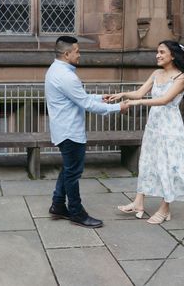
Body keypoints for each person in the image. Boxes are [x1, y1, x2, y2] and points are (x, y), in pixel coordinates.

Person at [109, 40, 184, 224]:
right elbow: (139, 93)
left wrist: (137, 103)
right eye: (157, 52)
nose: (157, 55)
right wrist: (123, 95)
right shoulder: (156, 73)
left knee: (168, 166)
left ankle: (165, 208)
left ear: (173, 55)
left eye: (161, 52)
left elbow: (165, 100)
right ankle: (138, 202)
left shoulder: (181, 77)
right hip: (154, 127)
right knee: (147, 161)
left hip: (170, 128)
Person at [45, 36, 129, 228]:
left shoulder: (55, 70)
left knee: (68, 168)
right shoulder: (66, 76)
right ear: (67, 54)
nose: (79, 55)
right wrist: (117, 108)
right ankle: (76, 212)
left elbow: (78, 98)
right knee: (73, 173)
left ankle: (58, 205)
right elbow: (86, 104)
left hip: (63, 129)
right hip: (70, 132)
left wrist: (101, 97)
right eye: (77, 51)